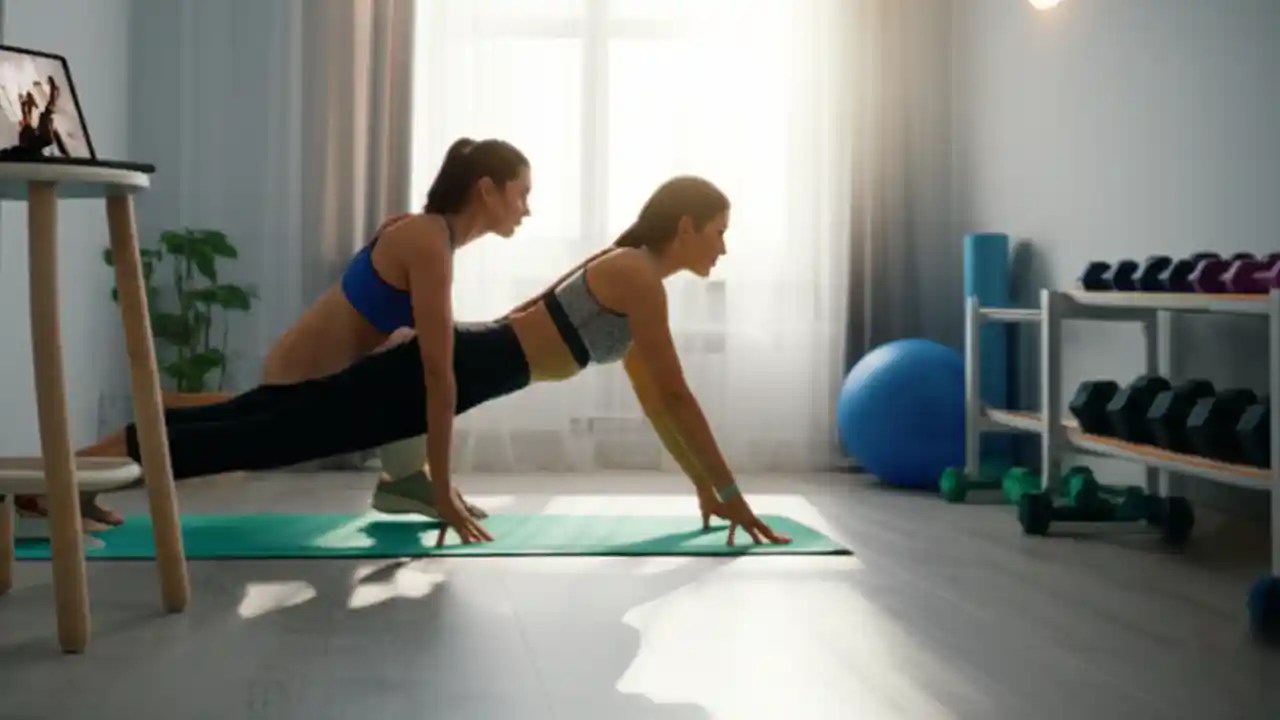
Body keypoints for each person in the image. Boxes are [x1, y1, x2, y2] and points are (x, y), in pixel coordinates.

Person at [75, 175, 791, 547]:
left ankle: (75, 472)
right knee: (258, 433)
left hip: (464, 364)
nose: (724, 247)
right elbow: (677, 395)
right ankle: (69, 474)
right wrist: (727, 490)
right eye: (719, 232)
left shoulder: (634, 276)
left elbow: (658, 401)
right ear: (686, 226)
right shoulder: (636, 275)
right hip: (443, 371)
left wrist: (706, 488)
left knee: (258, 421)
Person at [17, 137, 530, 533]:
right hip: (303, 388)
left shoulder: (425, 232)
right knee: (194, 444)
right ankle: (45, 489)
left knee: (188, 430)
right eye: (522, 193)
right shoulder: (429, 243)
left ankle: (63, 485)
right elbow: (439, 376)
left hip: (307, 376)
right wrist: (444, 490)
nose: (526, 209)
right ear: (486, 190)